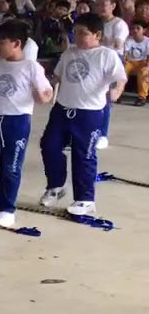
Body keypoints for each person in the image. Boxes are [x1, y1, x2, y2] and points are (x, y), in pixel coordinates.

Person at [39, 12, 127, 216]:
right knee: (49, 146)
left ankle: (85, 199)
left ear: (97, 35)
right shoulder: (69, 53)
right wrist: (48, 89)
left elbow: (119, 78)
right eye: (75, 33)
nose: (77, 37)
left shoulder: (107, 54)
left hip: (89, 113)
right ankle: (56, 186)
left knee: (84, 154)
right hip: (62, 109)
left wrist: (116, 91)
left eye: (82, 33)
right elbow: (58, 77)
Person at [0, 20, 52, 228]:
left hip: (17, 121)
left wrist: (40, 95)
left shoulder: (32, 67)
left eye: (2, 43)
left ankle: (6, 209)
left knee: (10, 166)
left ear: (17, 44)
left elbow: (46, 95)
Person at [96, 0, 128, 149]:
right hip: (96, 60)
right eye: (98, 4)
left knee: (107, 98)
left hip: (112, 62)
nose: (100, 7)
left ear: (113, 6)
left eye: (104, 4)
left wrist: (99, 38)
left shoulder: (119, 24)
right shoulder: (96, 22)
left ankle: (103, 135)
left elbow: (118, 45)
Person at [124, 20, 148, 106]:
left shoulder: (147, 41)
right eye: (133, 28)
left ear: (144, 30)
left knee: (144, 73)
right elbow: (125, 53)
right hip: (130, 61)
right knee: (122, 71)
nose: (135, 30)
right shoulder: (129, 40)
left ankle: (142, 97)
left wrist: (148, 67)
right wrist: (123, 62)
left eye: (138, 28)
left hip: (143, 62)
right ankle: (118, 93)